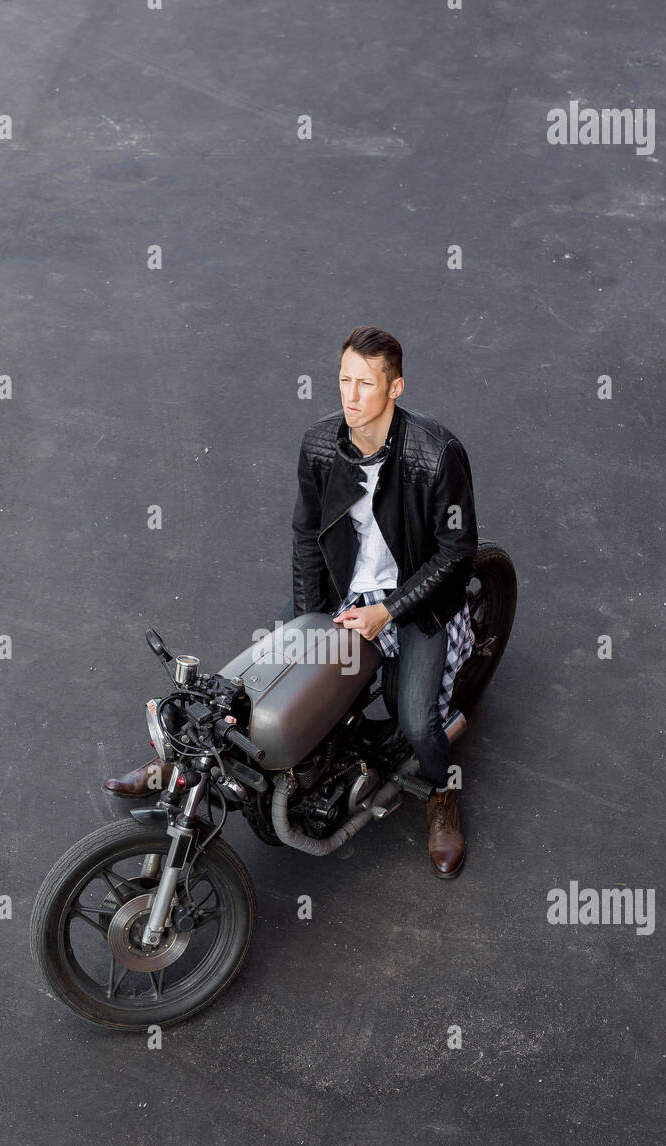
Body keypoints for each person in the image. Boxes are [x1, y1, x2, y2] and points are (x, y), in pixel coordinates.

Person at [104, 325, 478, 879]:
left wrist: (387, 612)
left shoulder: (436, 454)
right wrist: (309, 618)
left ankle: (441, 796)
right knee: (249, 687)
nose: (351, 397)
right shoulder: (322, 444)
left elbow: (456, 554)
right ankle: (177, 769)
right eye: (344, 380)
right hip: (339, 591)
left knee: (419, 725)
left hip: (412, 602)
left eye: (366, 384)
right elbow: (307, 534)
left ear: (395, 388)